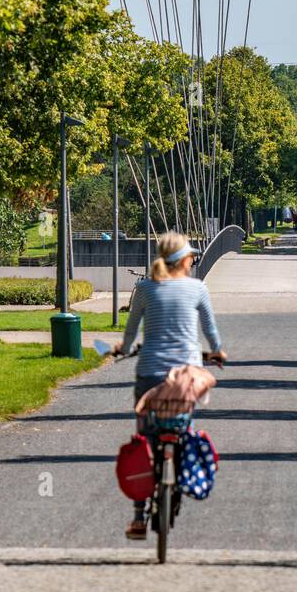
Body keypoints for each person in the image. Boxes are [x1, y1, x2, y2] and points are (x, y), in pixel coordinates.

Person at [113, 231, 227, 540]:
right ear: (183, 260)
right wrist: (217, 350)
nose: (193, 260)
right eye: (191, 256)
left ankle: (138, 516)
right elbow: (210, 330)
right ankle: (181, 466)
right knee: (181, 423)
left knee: (144, 439)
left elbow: (130, 333)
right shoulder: (198, 288)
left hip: (150, 374)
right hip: (186, 376)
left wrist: (122, 349)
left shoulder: (145, 288)